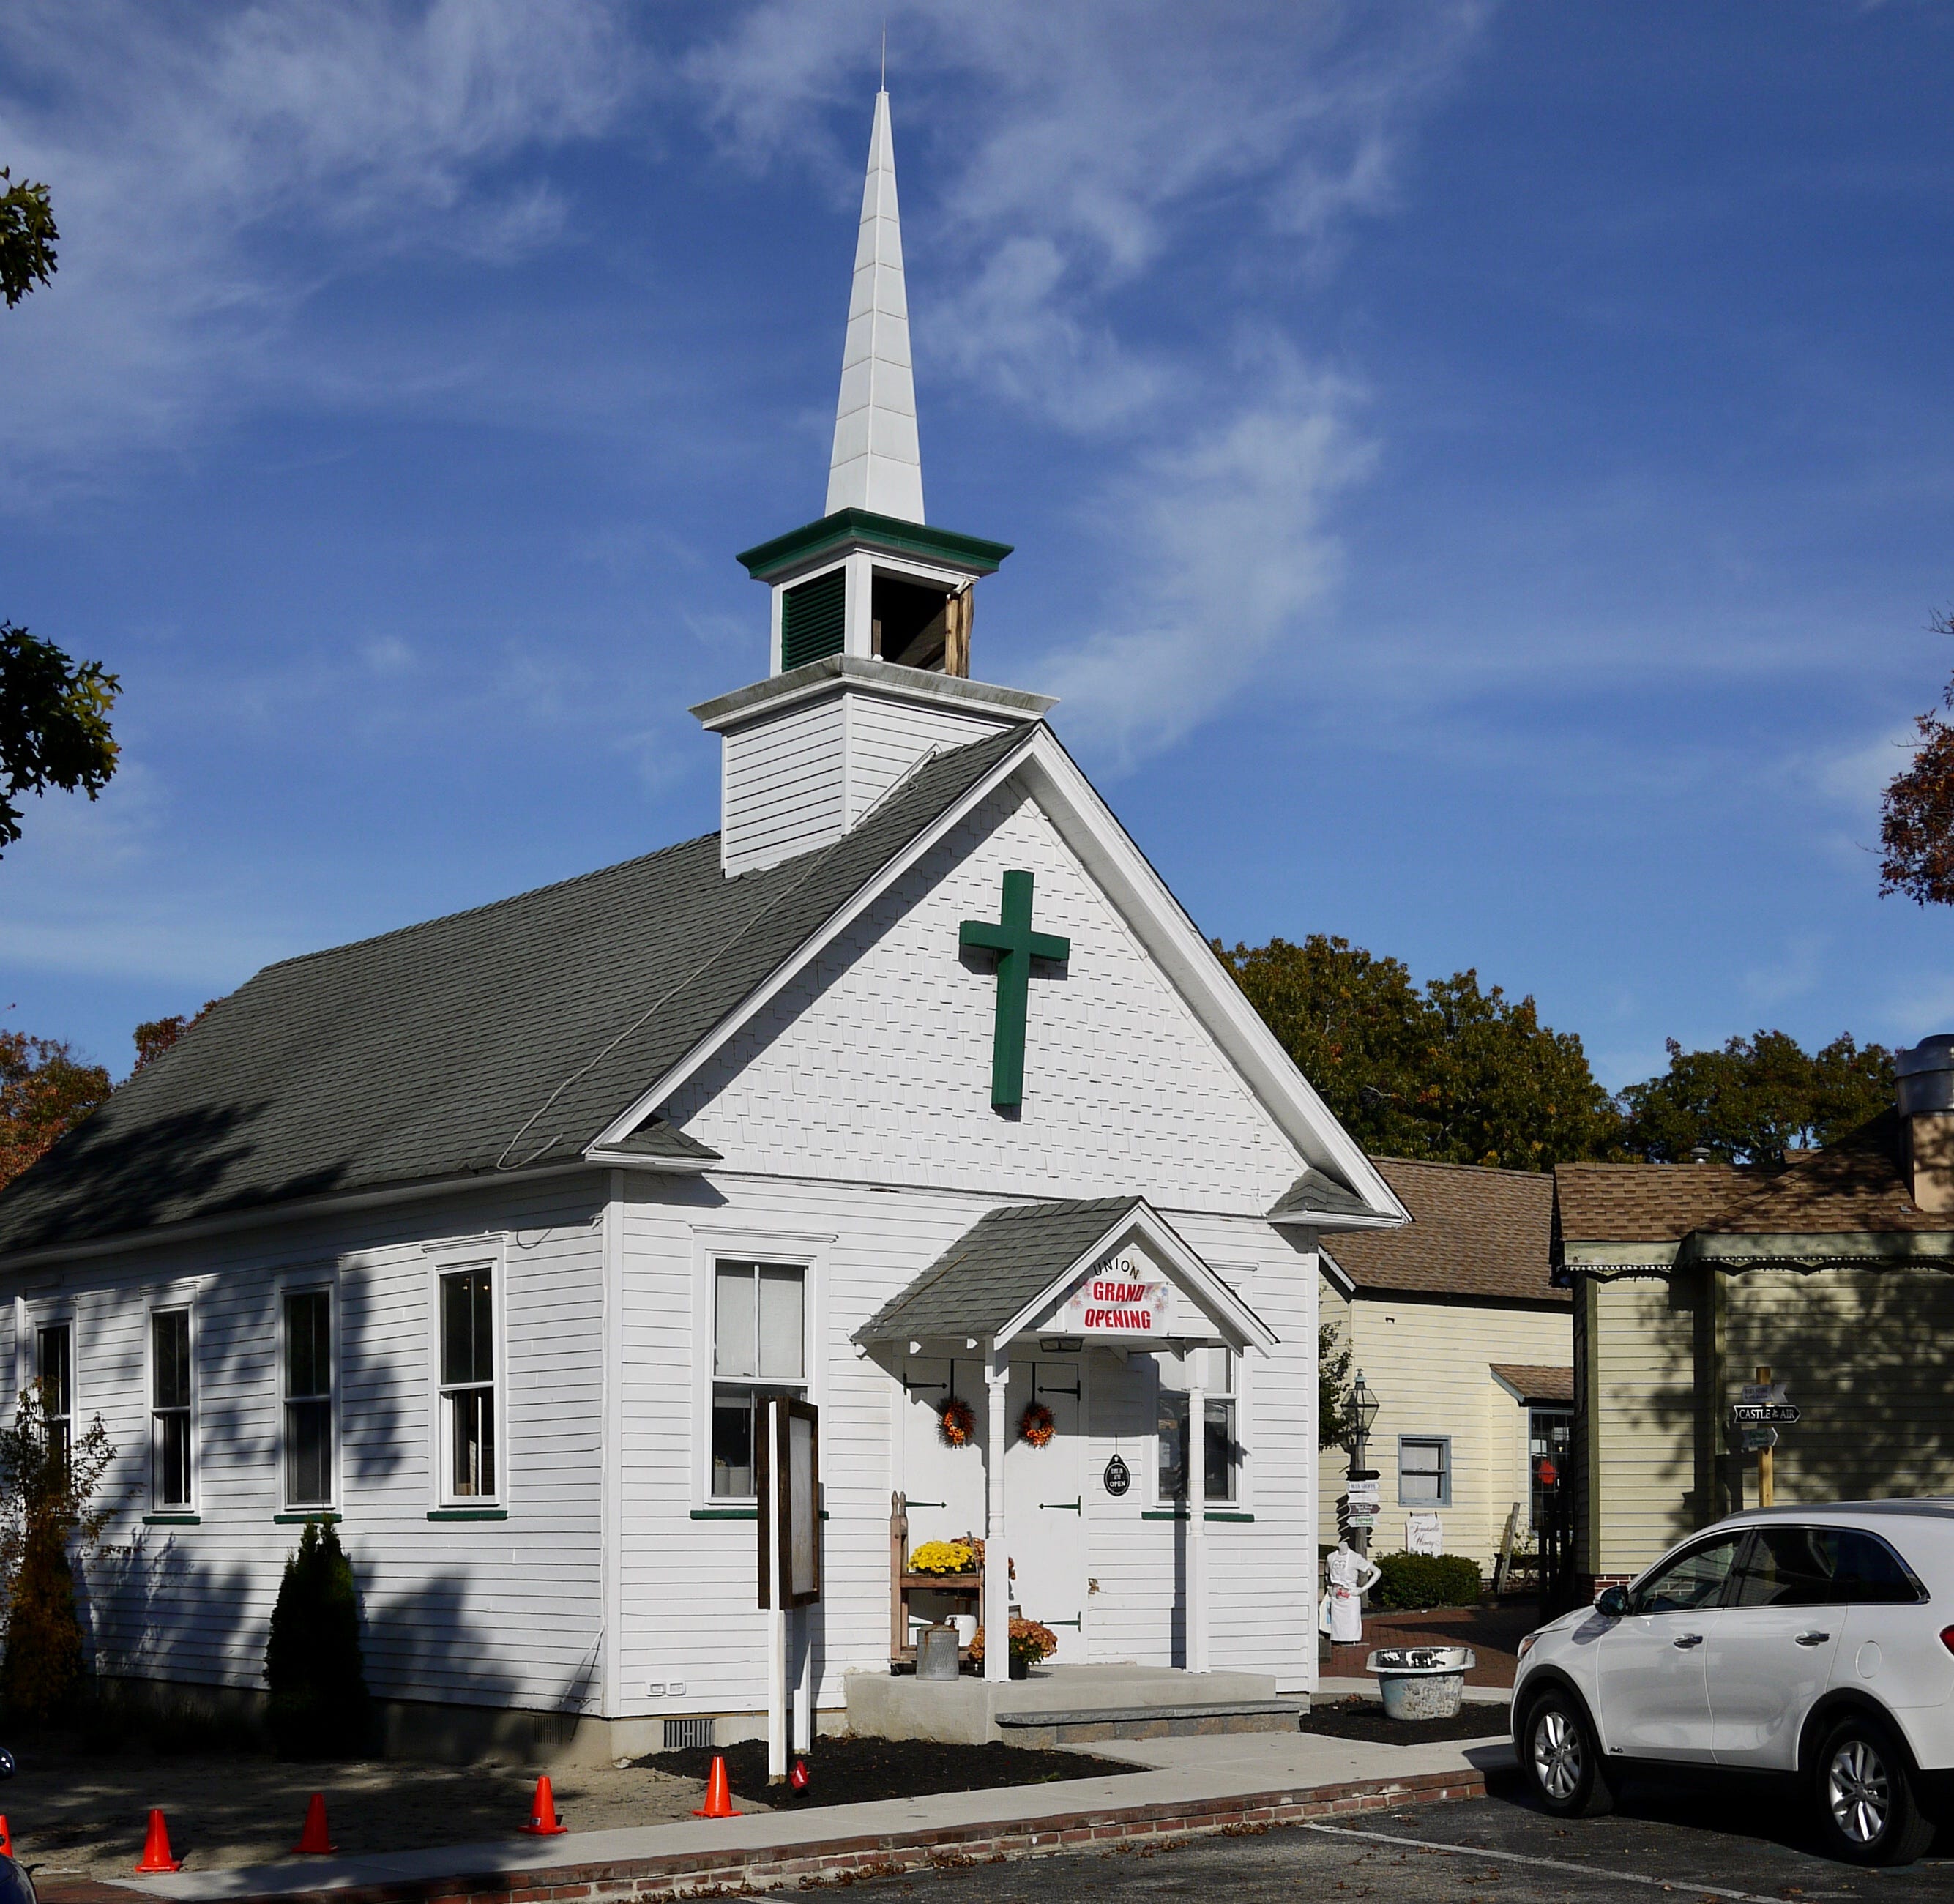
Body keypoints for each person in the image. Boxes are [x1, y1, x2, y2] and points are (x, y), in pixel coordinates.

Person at [1321, 1537, 1382, 1646]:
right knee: (1337, 1624)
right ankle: (1337, 1639)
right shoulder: (1331, 1557)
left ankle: (1352, 1640)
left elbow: (1377, 1572)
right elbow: (1327, 1574)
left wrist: (1362, 1589)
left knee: (1351, 1622)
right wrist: (1329, 1587)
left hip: (1350, 1595)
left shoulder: (1355, 1558)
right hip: (1336, 1596)